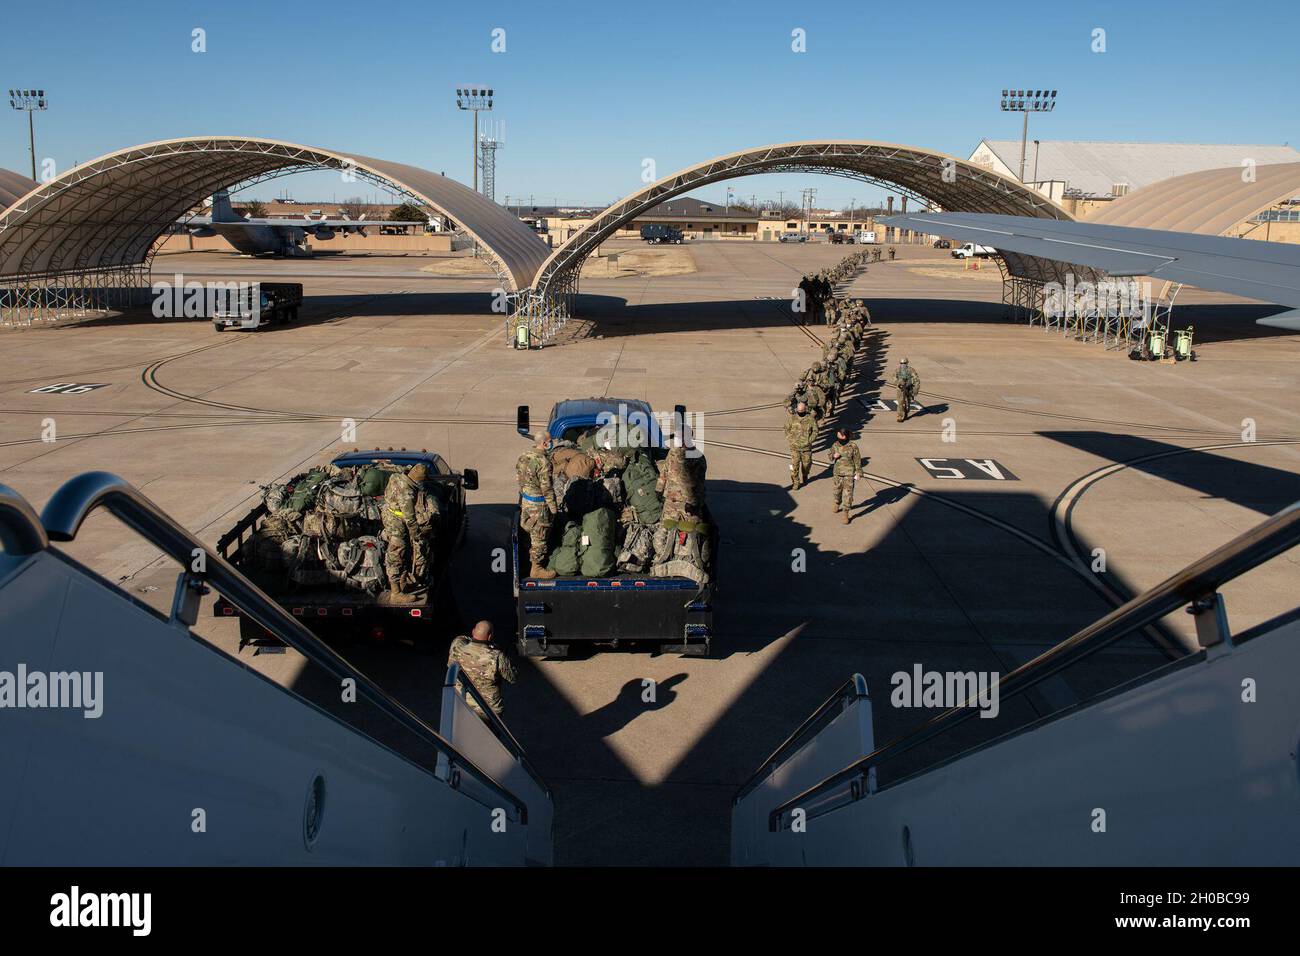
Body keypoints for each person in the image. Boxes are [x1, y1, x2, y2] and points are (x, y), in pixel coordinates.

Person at [382, 462, 437, 601]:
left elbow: (399, 468)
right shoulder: (407, 493)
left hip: (389, 516)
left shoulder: (396, 477)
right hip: (397, 524)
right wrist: (417, 535)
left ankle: (402, 582)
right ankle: (396, 593)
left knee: (404, 552)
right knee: (396, 555)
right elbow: (410, 519)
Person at [447, 620, 517, 718]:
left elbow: (462, 638)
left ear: (473, 632)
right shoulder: (497, 657)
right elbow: (512, 677)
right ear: (490, 636)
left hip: (461, 704)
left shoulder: (457, 648)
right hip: (488, 712)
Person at [516, 432, 558, 579]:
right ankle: (537, 569)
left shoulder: (524, 456)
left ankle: (530, 557)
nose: (552, 443)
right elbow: (546, 488)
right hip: (538, 504)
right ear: (545, 443)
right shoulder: (543, 462)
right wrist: (553, 508)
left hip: (526, 500)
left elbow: (519, 479)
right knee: (540, 536)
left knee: (530, 531)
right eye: (550, 441)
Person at [829, 428, 862, 524]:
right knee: (837, 491)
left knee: (848, 494)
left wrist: (858, 472)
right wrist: (833, 456)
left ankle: (845, 513)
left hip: (849, 473)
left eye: (841, 436)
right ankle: (837, 502)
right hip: (837, 473)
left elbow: (857, 460)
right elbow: (829, 455)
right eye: (838, 435)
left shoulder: (853, 446)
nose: (839, 437)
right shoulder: (835, 444)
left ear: (846, 436)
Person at [784, 401, 817, 490]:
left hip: (806, 447)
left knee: (807, 465)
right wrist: (790, 439)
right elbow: (786, 429)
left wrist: (810, 440)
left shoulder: (811, 419)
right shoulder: (792, 418)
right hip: (795, 447)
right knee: (794, 466)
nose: (800, 411)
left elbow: (815, 431)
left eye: (802, 410)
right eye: (798, 410)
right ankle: (796, 482)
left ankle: (805, 474)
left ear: (805, 409)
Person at [892, 358, 921, 422]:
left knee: (908, 403)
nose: (903, 365)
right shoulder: (897, 370)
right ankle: (900, 416)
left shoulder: (911, 370)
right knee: (900, 402)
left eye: (904, 363)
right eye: (902, 363)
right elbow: (894, 378)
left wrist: (916, 388)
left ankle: (906, 411)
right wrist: (898, 383)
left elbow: (916, 379)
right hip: (901, 388)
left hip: (909, 387)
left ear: (907, 363)